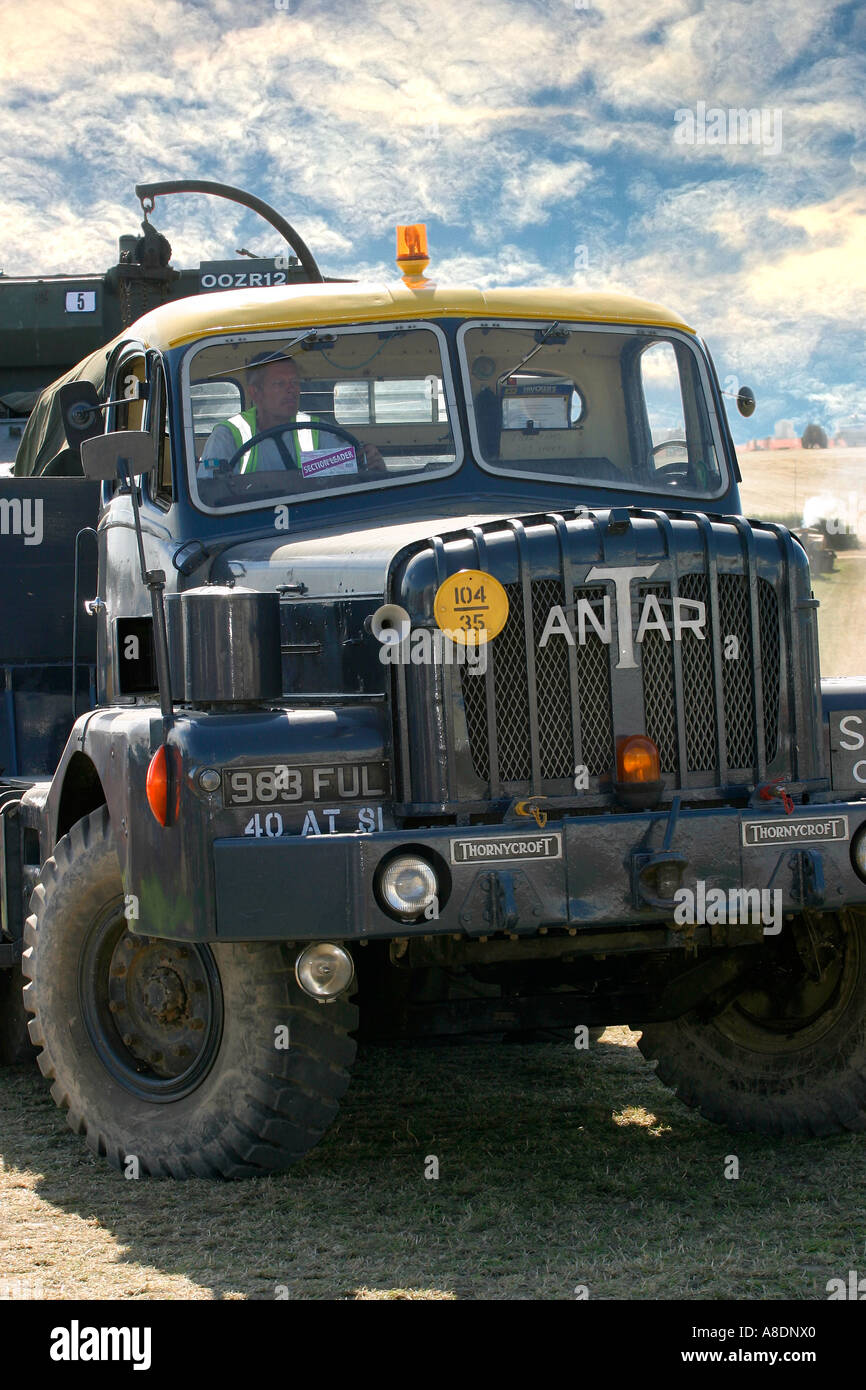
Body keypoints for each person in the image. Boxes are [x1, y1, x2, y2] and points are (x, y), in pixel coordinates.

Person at [198, 353, 385, 479]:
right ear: (255, 393)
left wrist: (370, 461)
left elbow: (355, 473)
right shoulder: (228, 435)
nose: (291, 390)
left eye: (294, 382)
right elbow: (210, 493)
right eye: (280, 384)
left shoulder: (318, 430)